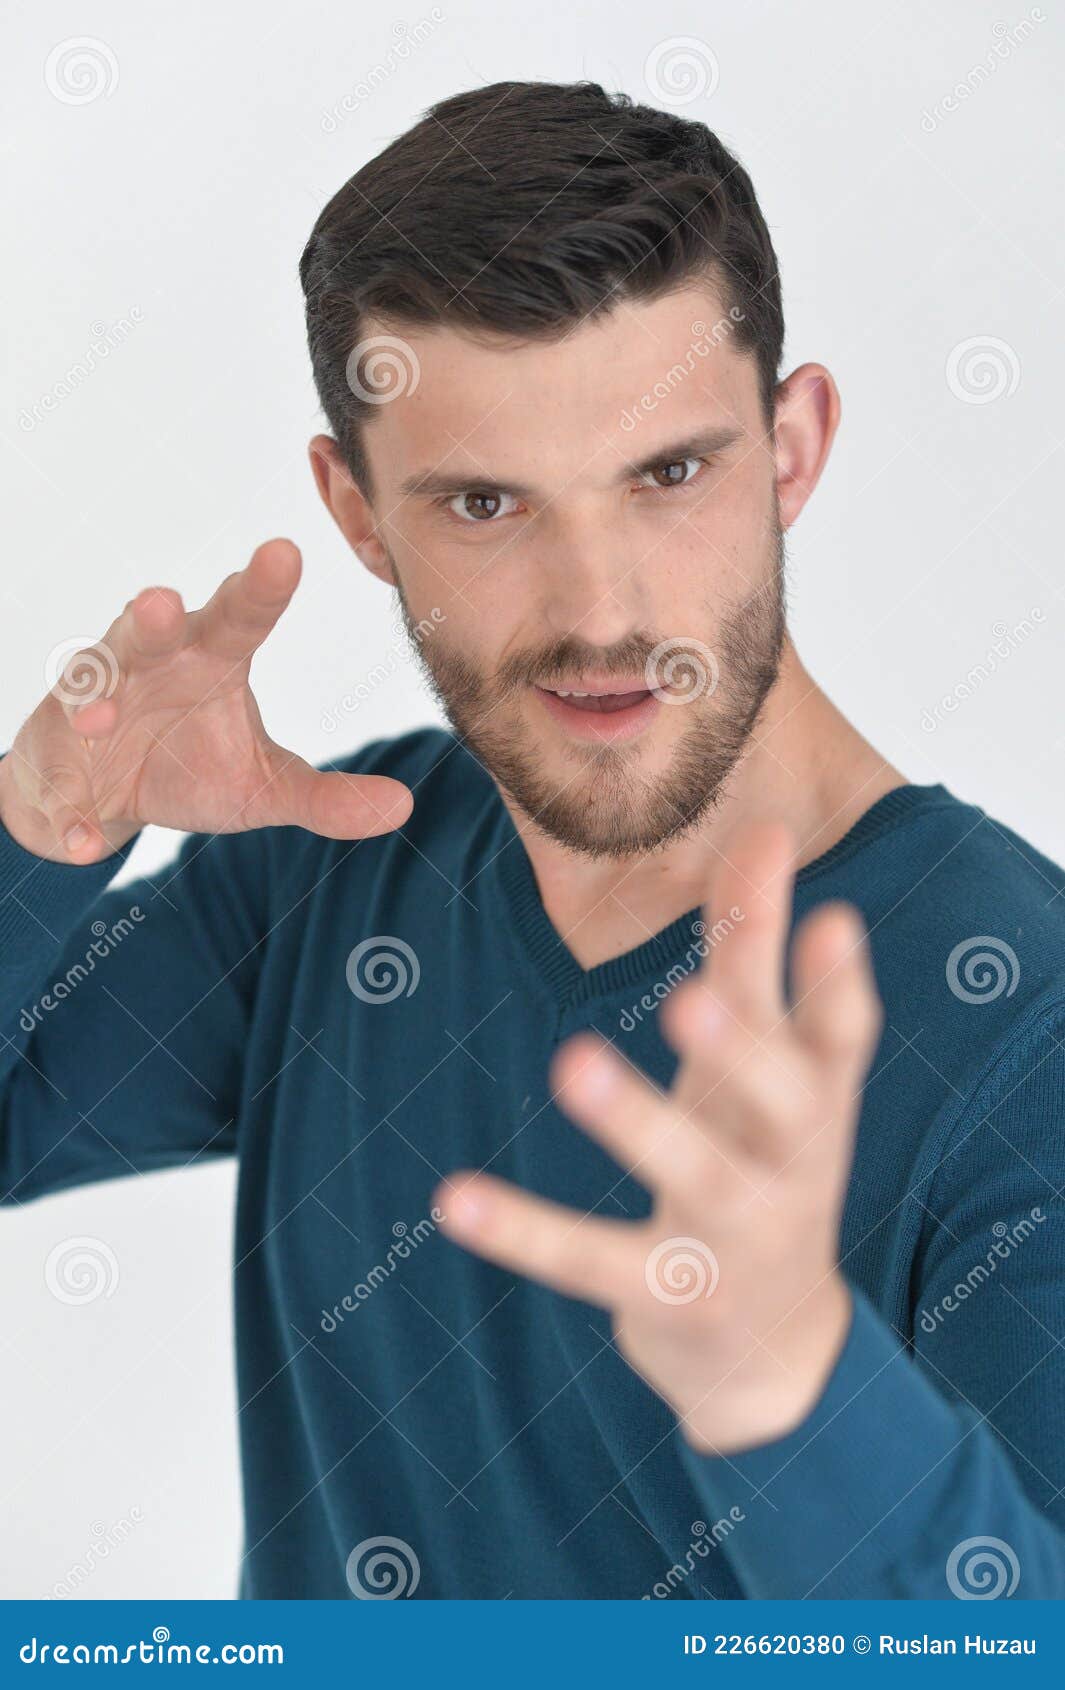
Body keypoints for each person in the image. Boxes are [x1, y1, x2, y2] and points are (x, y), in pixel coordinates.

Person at [2, 79, 1062, 1601]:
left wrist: (786, 1392)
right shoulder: (343, 871)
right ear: (359, 515)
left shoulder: (1019, 1019)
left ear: (794, 447)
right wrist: (40, 833)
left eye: (669, 474)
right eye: (486, 501)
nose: (596, 609)